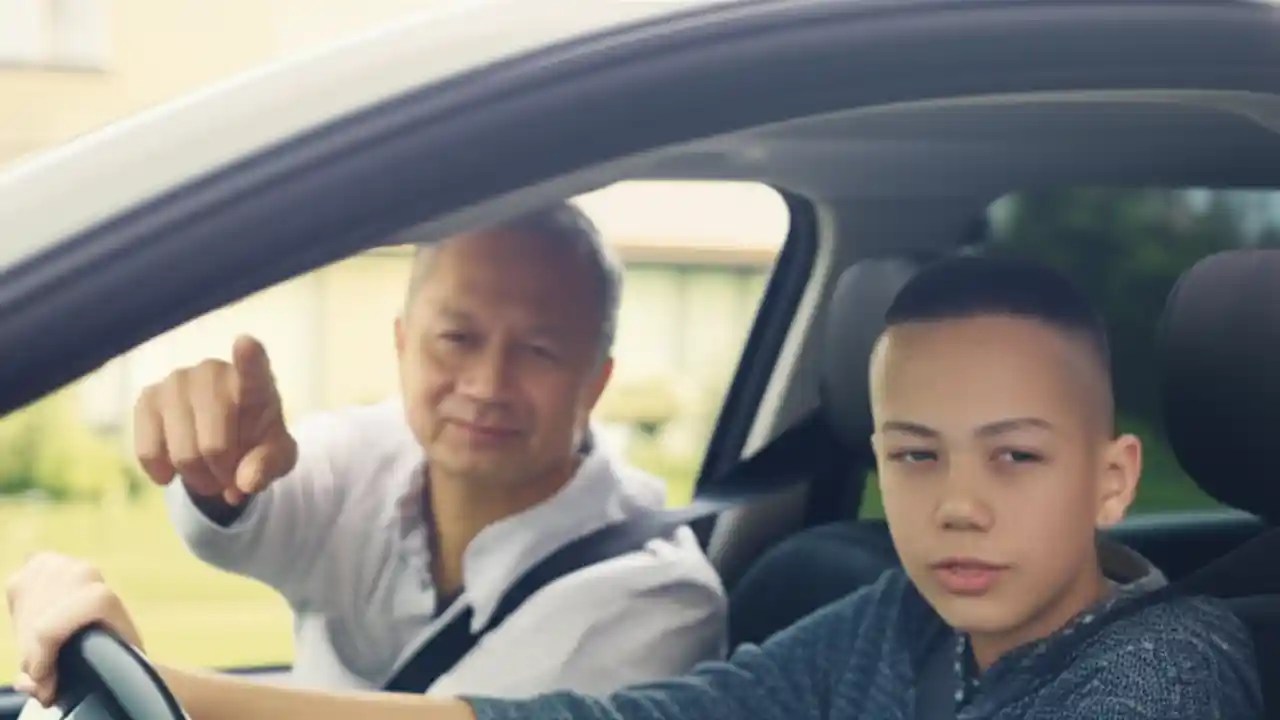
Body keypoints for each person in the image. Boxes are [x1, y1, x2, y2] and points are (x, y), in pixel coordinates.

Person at [7, 255, 1262, 719]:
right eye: (911, 454)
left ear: (1109, 482)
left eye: (1015, 456)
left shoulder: (1171, 673)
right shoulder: (893, 623)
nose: (957, 505)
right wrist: (168, 689)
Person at [124, 202, 727, 695]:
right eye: (457, 338)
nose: (488, 385)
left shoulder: (660, 597)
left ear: (595, 382)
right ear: (403, 342)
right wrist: (218, 468)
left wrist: (161, 688)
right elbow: (243, 522)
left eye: (539, 351)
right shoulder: (363, 456)